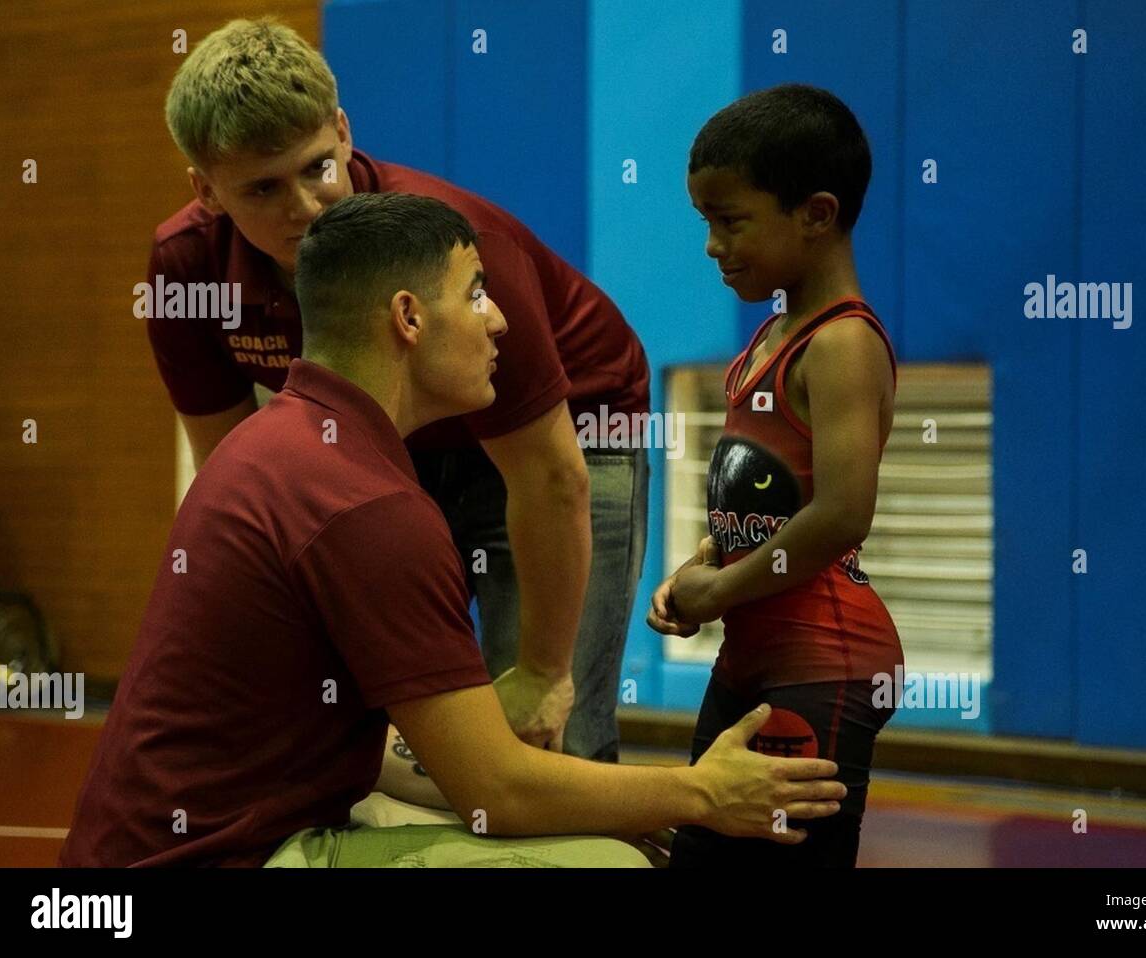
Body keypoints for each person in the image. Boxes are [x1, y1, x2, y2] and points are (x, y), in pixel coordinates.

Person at [59, 193, 847, 868]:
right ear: (407, 317)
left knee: (587, 822)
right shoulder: (366, 505)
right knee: (608, 863)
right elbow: (494, 791)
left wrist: (629, 799)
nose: (500, 317)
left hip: (157, 849)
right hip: (227, 856)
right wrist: (701, 791)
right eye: (475, 294)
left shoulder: (287, 445)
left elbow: (415, 764)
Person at [147, 17, 649, 763]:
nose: (305, 207)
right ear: (206, 190)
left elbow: (550, 478)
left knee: (549, 738)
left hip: (565, 435)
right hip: (391, 453)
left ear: (344, 132)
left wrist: (544, 673)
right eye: (262, 187)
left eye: (318, 167)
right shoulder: (186, 269)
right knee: (362, 727)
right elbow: (236, 479)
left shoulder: (452, 241)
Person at [649, 84, 904, 868]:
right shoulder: (770, 336)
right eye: (706, 224)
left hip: (823, 659)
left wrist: (721, 592)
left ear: (817, 214)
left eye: (731, 223)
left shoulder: (841, 344)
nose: (713, 247)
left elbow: (839, 515)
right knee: (702, 849)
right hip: (757, 655)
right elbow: (766, 500)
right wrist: (702, 567)